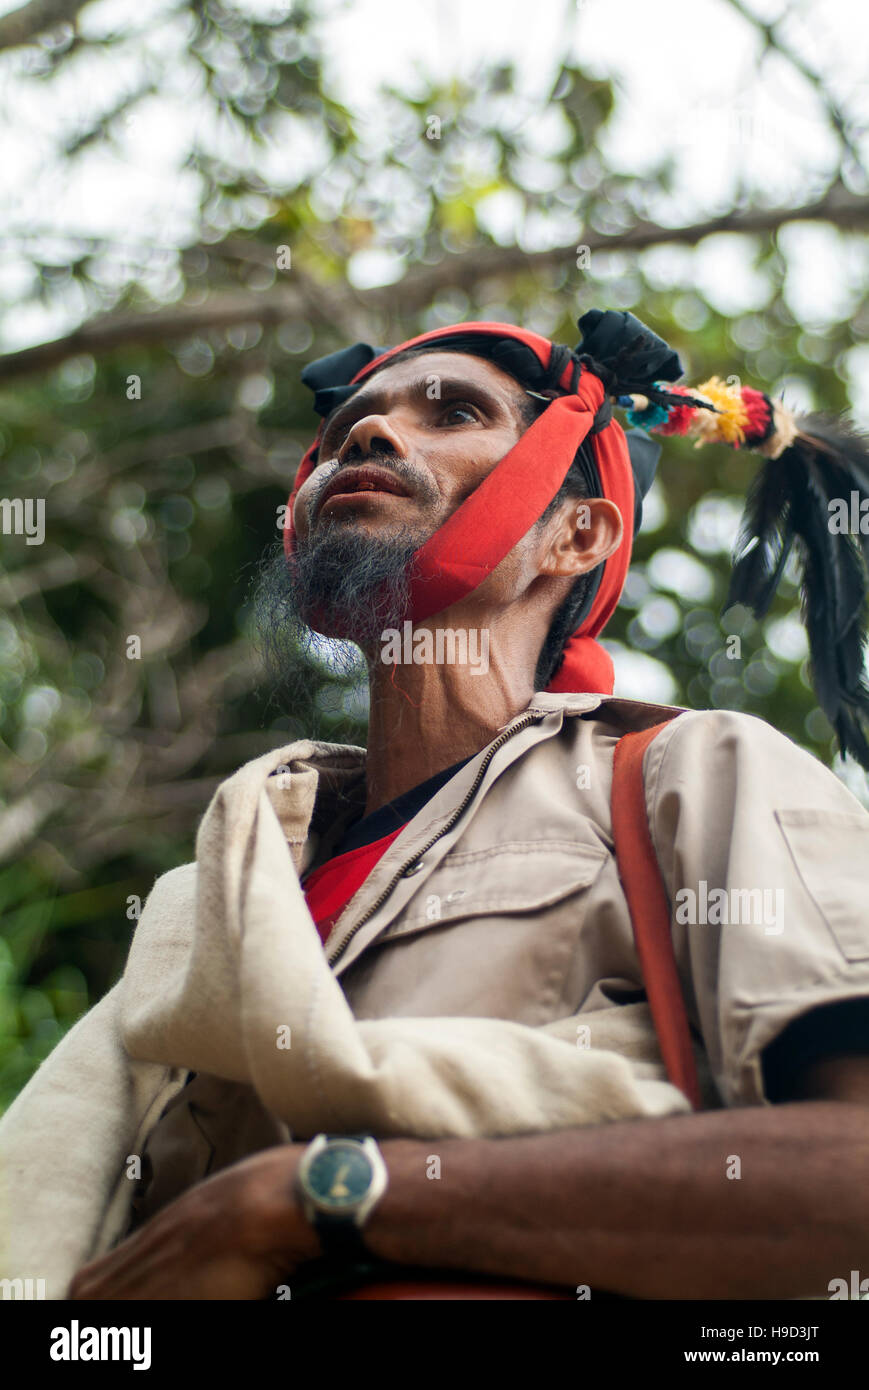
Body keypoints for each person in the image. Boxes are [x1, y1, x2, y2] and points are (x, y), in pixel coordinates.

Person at [2, 310, 869, 1301]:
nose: (368, 436)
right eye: (343, 432)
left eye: (451, 410)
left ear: (574, 533)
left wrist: (315, 1198)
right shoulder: (217, 888)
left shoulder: (693, 773)